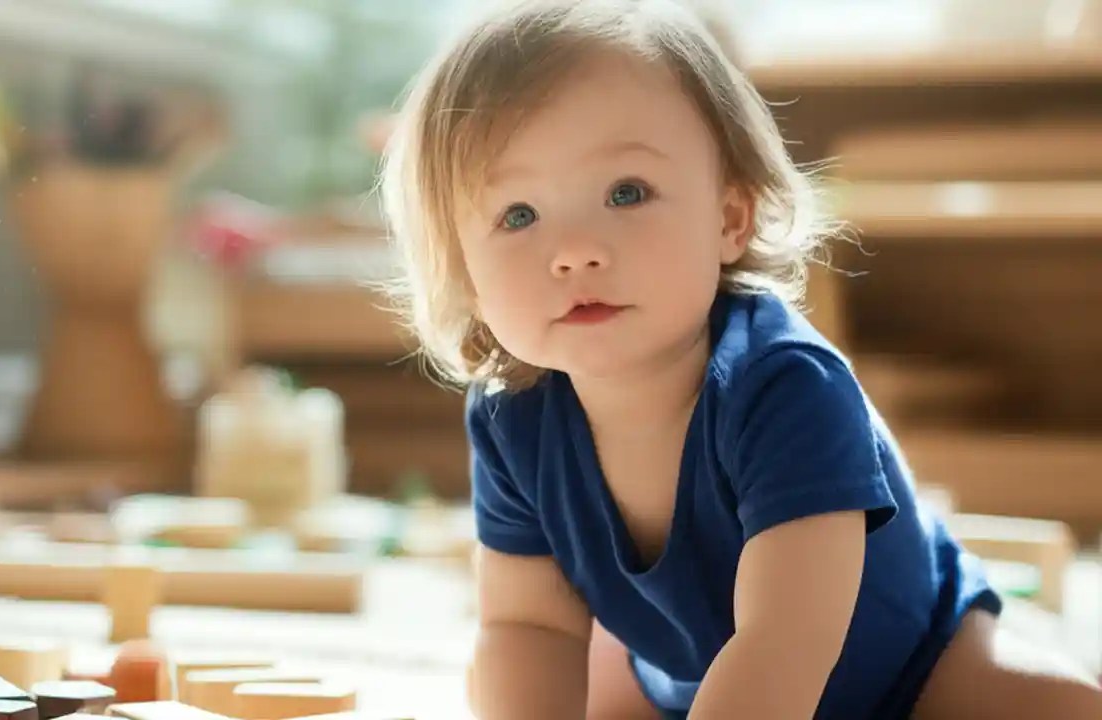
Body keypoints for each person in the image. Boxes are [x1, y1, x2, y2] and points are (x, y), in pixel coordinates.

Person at [376, 0, 1102, 717]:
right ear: (464, 268)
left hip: (913, 662)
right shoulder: (512, 414)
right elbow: (526, 626)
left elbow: (784, 643)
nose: (575, 251)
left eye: (626, 193)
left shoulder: (783, 385)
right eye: (519, 215)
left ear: (729, 218)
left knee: (1064, 708)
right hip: (683, 675)